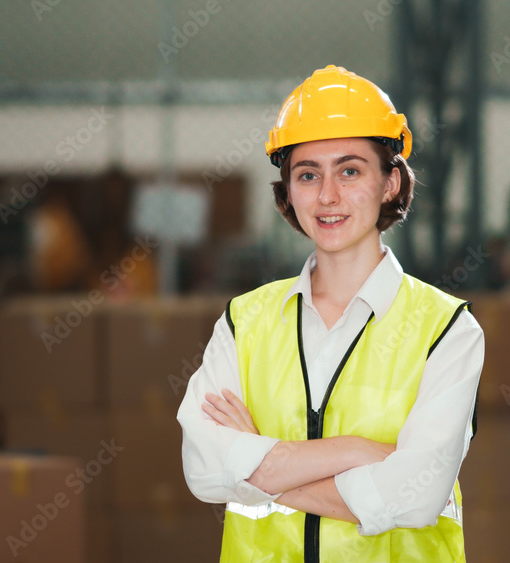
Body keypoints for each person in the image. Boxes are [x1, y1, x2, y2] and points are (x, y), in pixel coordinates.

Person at [178, 65, 485, 562]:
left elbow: (416, 495)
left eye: (350, 170)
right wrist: (354, 451)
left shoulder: (446, 329)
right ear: (288, 192)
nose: (327, 196)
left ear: (389, 182)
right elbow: (203, 469)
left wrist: (258, 465)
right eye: (307, 174)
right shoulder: (245, 321)